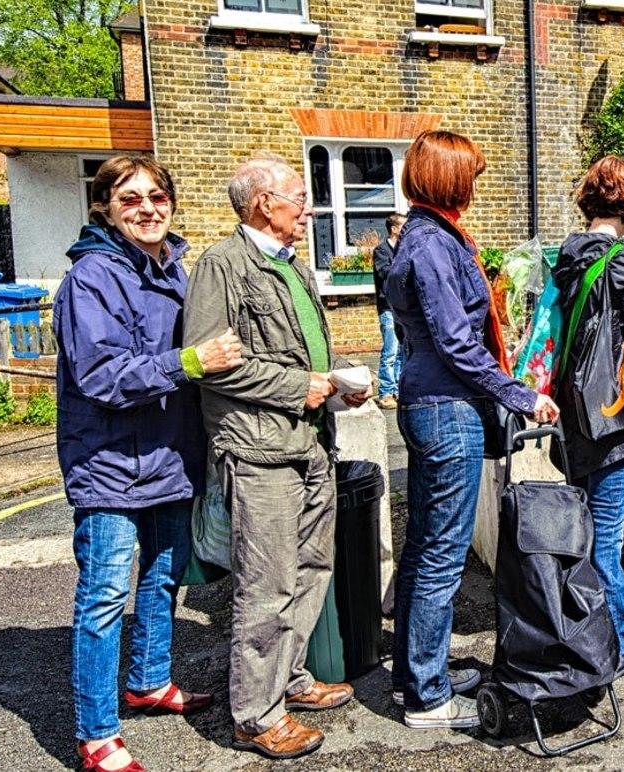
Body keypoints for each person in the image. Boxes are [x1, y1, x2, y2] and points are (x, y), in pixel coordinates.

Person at [57, 156, 241, 772]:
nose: (147, 208)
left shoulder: (176, 272)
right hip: (108, 465)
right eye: (130, 198)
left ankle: (150, 682)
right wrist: (188, 363)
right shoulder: (91, 278)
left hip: (168, 461)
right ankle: (97, 734)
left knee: (162, 580)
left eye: (157, 196)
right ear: (104, 207)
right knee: (104, 597)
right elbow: (100, 376)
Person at [183, 155, 369, 760]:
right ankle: (256, 716)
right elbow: (213, 363)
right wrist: (300, 388)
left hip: (310, 442)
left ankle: (287, 680)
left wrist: (333, 382)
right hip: (259, 451)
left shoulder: (290, 265)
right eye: (297, 196)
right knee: (265, 587)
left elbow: (296, 354)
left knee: (311, 572)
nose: (308, 207)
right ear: (264, 203)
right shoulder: (222, 265)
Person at [385, 130, 559, 728]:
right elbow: (456, 343)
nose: (478, 187)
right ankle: (427, 696)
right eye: (474, 176)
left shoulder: (428, 235)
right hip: (444, 407)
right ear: (449, 179)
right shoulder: (432, 243)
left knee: (425, 548)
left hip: (434, 401)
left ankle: (414, 672)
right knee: (441, 556)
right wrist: (521, 395)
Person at [552, 156, 624, 669]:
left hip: (575, 409)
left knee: (585, 530)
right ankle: (619, 642)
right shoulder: (622, 259)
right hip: (616, 412)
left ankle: (578, 625)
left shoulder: (568, 254)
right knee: (607, 536)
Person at [374, 212, 407, 409]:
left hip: (402, 307)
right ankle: (385, 392)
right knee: (390, 351)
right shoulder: (382, 251)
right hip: (388, 307)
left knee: (403, 351)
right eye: (403, 226)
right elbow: (384, 272)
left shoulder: (403, 249)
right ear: (394, 229)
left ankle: (397, 390)